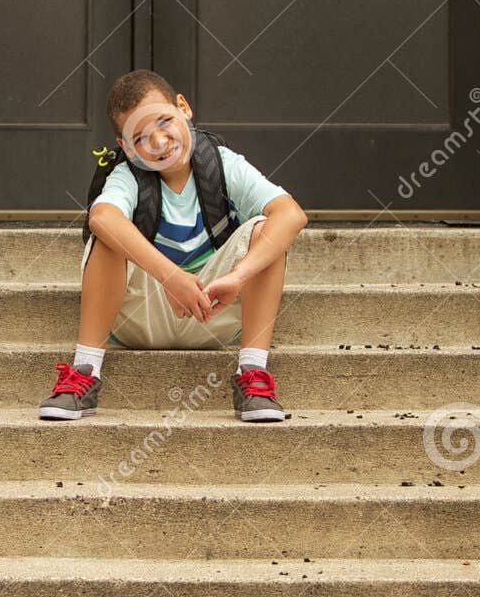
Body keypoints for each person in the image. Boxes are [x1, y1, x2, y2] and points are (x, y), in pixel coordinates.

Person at [38, 70, 308, 423]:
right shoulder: (127, 176)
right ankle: (85, 372)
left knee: (267, 230)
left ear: (183, 107)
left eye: (164, 121)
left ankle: (253, 374)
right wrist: (171, 277)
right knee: (109, 234)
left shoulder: (222, 164)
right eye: (140, 138)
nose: (159, 142)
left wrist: (238, 277)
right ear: (125, 147)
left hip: (216, 309)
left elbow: (292, 214)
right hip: (143, 318)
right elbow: (101, 218)